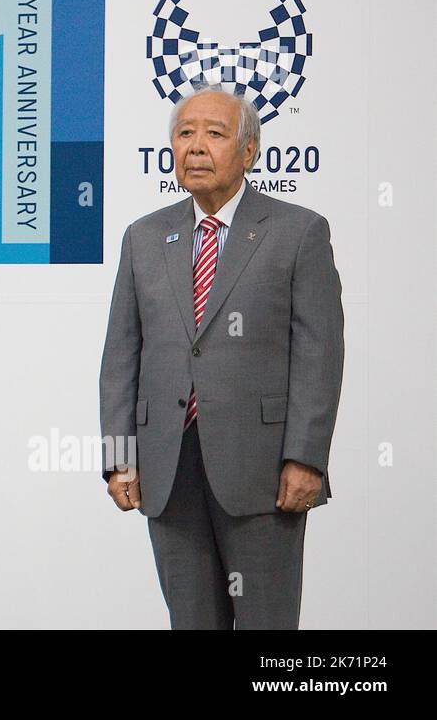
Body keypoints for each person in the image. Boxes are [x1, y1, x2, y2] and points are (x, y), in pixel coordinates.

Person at [100, 85, 344, 629]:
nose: (196, 147)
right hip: (168, 470)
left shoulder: (298, 232)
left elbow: (319, 355)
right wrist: (119, 456)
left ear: (249, 150)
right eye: (184, 134)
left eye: (214, 133)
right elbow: (120, 357)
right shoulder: (144, 236)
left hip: (264, 472)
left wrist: (306, 458)